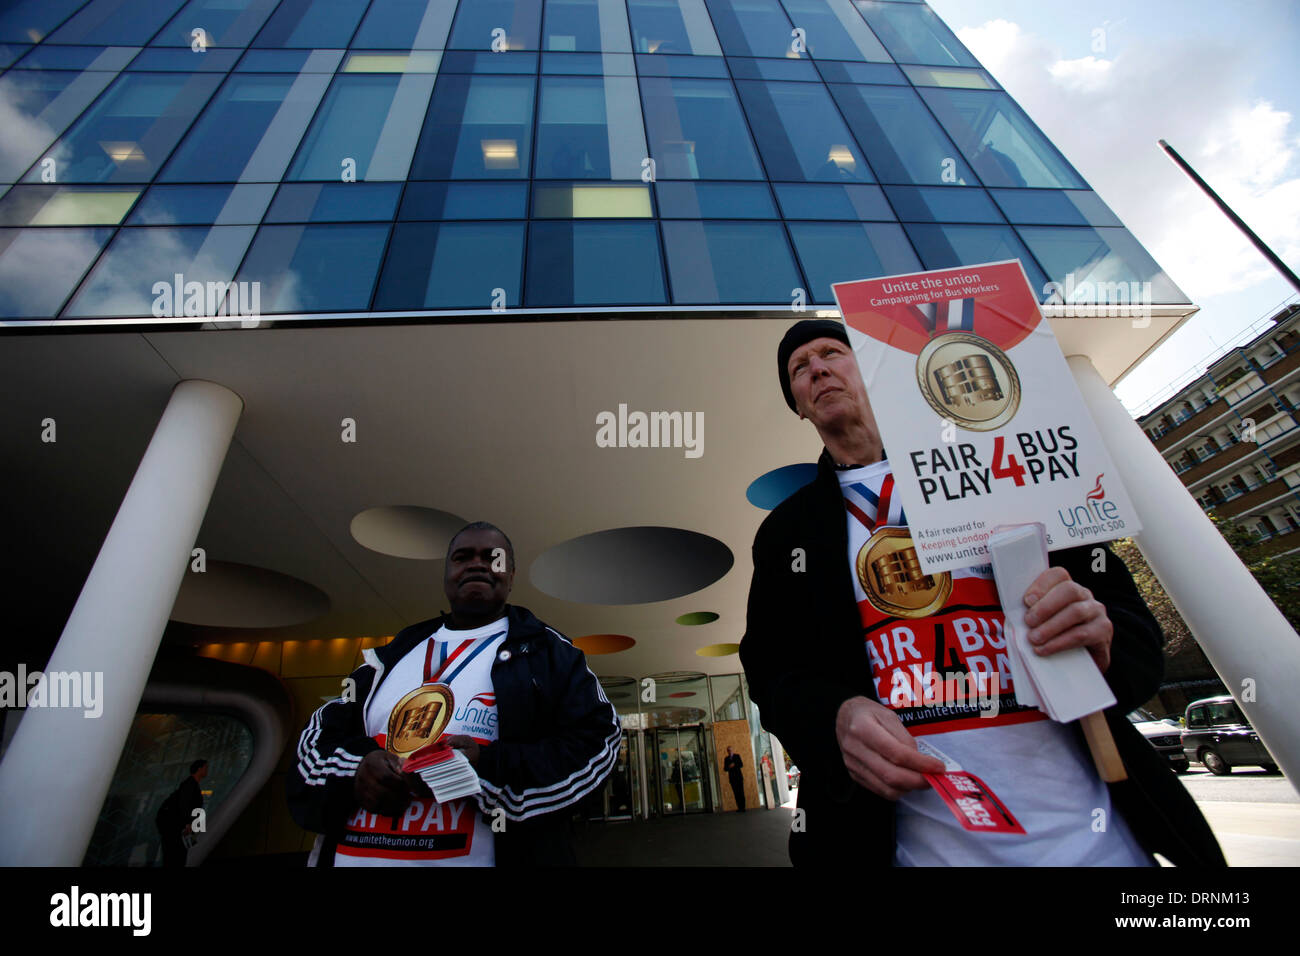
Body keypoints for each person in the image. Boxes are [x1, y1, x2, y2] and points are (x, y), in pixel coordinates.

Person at [739, 319, 1225, 866]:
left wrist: (1102, 633)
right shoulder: (787, 533)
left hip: (1099, 840)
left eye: (831, 352)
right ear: (799, 406)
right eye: (799, 369)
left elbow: (1126, 618)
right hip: (911, 847)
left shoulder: (1000, 470)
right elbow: (771, 670)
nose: (818, 369)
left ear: (873, 375)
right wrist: (832, 716)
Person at [287, 522, 621, 866]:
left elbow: (599, 743)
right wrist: (357, 771)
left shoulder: (550, 654)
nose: (477, 564)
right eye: (462, 557)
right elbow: (314, 745)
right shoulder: (390, 656)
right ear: (447, 573)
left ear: (511, 575)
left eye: (493, 558)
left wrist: (487, 766)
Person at [156, 758, 207, 867]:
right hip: (173, 826)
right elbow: (184, 804)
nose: (207, 770)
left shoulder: (192, 785)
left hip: (175, 826)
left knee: (176, 854)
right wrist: (187, 824)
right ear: (199, 769)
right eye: (205, 767)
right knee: (176, 855)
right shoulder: (190, 784)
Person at [723, 746, 745, 812]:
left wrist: (734, 764)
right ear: (727, 751)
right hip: (732, 779)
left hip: (739, 777)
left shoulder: (737, 756)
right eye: (728, 750)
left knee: (741, 792)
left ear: (732, 750)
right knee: (736, 793)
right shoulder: (726, 759)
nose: (730, 751)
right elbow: (725, 769)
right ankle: (739, 807)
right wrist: (729, 767)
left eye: (730, 750)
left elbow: (741, 765)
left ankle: (743, 807)